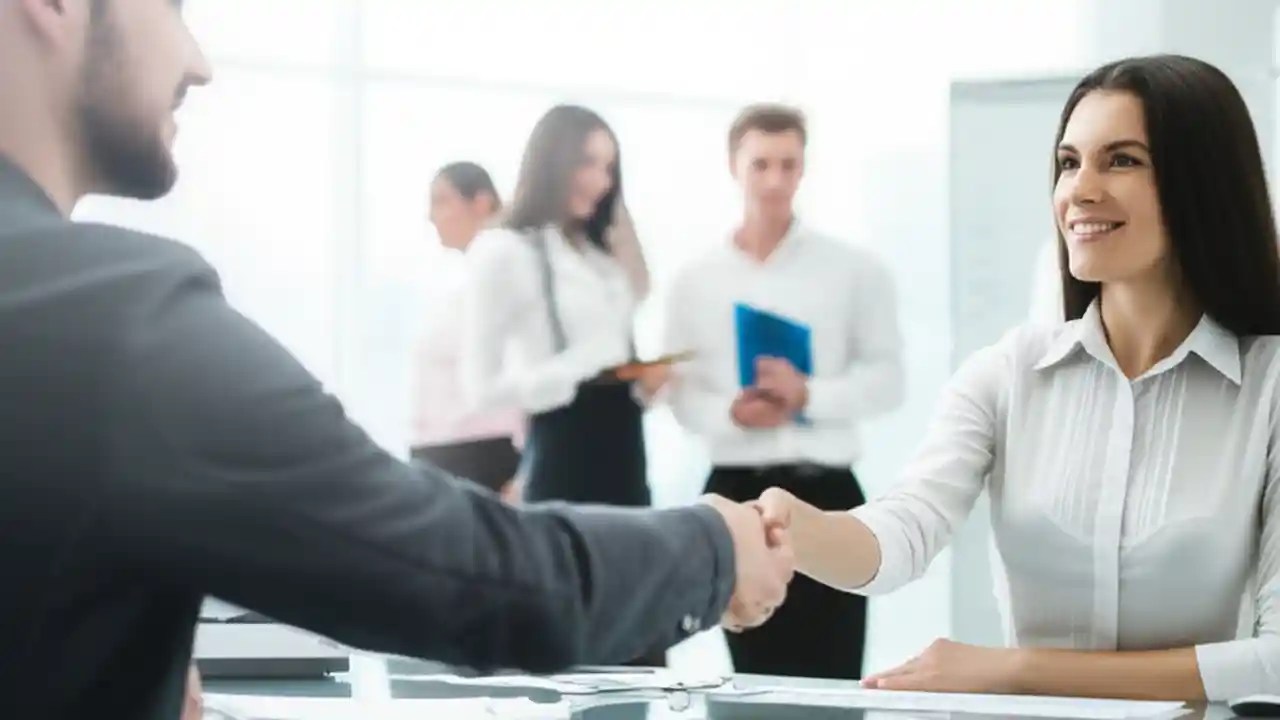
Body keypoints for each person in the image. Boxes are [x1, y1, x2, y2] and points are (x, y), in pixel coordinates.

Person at [0, 2, 794, 718]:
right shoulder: (120, 318)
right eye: (173, 6)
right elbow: (477, 578)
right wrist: (713, 549)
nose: (199, 60)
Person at [755, 54, 1280, 701]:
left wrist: (1014, 670)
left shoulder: (1270, 388)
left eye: (1122, 160)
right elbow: (901, 534)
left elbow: (1274, 662)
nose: (1080, 191)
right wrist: (782, 525)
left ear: (1200, 182)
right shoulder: (1008, 373)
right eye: (1069, 162)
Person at [664, 103, 904, 680]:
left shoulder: (854, 270)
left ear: (804, 169)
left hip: (829, 497)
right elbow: (681, 398)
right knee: (749, 687)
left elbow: (888, 381)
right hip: (734, 497)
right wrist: (731, 412)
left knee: (835, 685)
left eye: (788, 164)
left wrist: (808, 396)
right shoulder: (694, 281)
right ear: (734, 167)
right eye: (761, 164)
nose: (775, 180)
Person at [459, 104, 672, 665]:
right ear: (554, 160)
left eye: (609, 168)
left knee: (642, 649)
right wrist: (577, 366)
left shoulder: (599, 255)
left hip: (628, 458)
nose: (601, 181)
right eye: (588, 163)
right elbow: (480, 387)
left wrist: (640, 381)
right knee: (577, 649)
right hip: (566, 457)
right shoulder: (504, 250)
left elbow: (626, 321)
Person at [410, 161, 524, 501]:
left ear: (482, 203)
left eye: (442, 200)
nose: (432, 216)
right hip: (442, 456)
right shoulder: (464, 285)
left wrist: (527, 470)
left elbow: (526, 365)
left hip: (485, 456)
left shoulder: (508, 272)